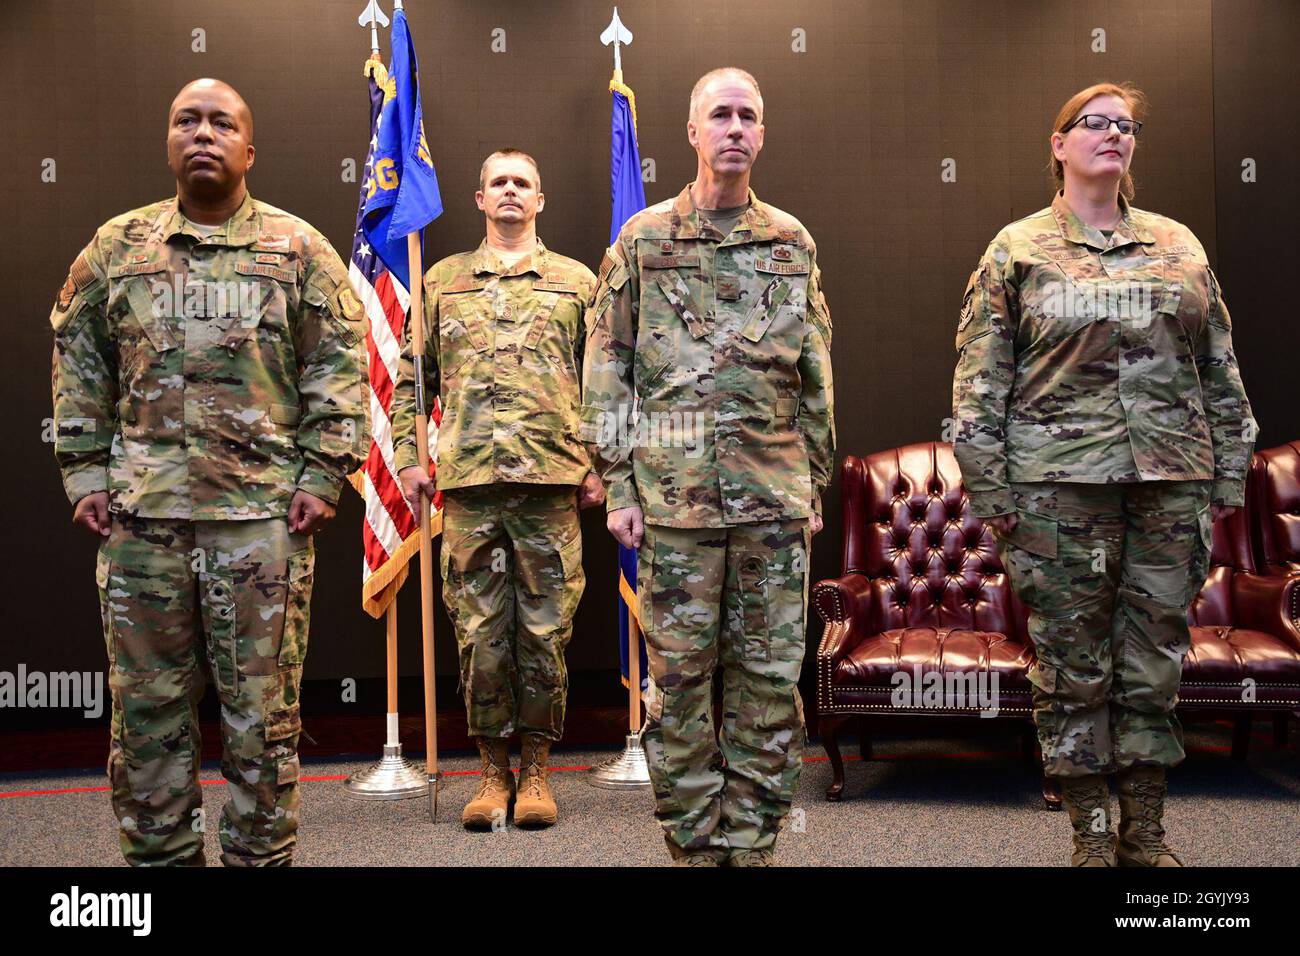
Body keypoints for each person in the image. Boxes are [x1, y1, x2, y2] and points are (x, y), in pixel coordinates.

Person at [49, 78, 370, 866]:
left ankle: (260, 861)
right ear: (168, 143)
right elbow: (77, 361)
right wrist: (84, 474)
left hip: (260, 529)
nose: (203, 134)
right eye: (186, 121)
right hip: (143, 529)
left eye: (221, 123)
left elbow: (340, 364)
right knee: (149, 718)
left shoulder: (296, 251)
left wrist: (323, 474)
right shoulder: (116, 249)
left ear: (248, 148)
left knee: (263, 722)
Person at [951, 82, 1254, 866]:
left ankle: (1145, 836)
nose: (1114, 135)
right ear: (1059, 144)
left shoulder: (1179, 244)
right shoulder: (1016, 249)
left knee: (1153, 664)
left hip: (1169, 485)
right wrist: (993, 495)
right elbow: (979, 384)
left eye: (1126, 126)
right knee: (1073, 665)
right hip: (1056, 494)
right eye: (1095, 123)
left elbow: (1218, 366)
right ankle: (1090, 834)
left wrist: (1226, 479)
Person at [581, 68, 835, 866]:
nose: (734, 127)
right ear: (691, 133)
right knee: (682, 693)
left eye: (747, 116)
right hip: (674, 509)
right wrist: (618, 484)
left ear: (762, 134)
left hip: (772, 508)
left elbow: (816, 373)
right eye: (718, 115)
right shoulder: (644, 241)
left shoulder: (792, 242)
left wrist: (812, 483)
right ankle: (693, 849)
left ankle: (752, 850)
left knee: (765, 693)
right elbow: (607, 366)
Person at [394, 149, 603, 831]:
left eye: (523, 183)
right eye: (498, 183)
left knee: (544, 633)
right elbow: (409, 380)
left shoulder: (575, 281)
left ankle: (537, 768)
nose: (510, 192)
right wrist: (409, 458)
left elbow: (606, 381)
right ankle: (490, 771)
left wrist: (603, 464)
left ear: (540, 200)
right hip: (470, 485)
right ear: (479, 198)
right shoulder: (442, 281)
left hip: (551, 483)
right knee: (480, 635)